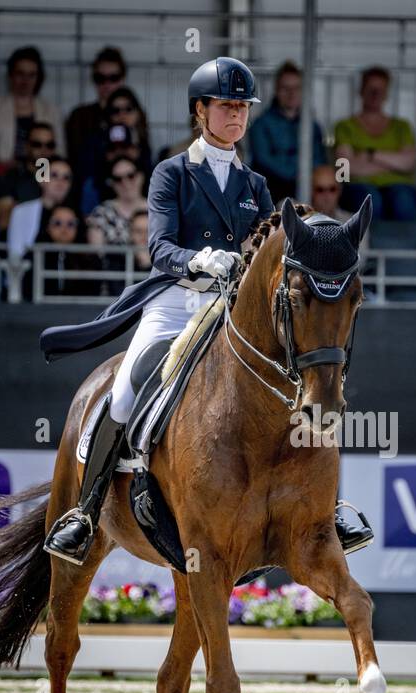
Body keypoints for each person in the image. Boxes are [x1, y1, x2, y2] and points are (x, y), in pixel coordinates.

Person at [37, 55, 371, 564]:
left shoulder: (256, 186)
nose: (236, 116)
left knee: (305, 386)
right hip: (176, 301)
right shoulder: (171, 174)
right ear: (201, 111)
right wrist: (200, 258)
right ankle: (85, 511)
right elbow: (160, 248)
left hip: (231, 309)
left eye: (242, 107)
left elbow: (271, 251)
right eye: (226, 106)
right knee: (126, 390)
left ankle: (329, 508)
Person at [333, 66, 416, 221]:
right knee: (371, 200)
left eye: (380, 90)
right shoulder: (345, 126)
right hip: (358, 188)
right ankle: (366, 245)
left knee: (403, 200)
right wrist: (393, 163)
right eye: (370, 89)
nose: (375, 94)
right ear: (361, 90)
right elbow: (344, 168)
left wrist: (369, 155)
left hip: (399, 189)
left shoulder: (402, 126)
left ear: (386, 93)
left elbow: (409, 164)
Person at [0, 46, 64, 178]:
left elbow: (59, 152)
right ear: (11, 75)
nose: (25, 80)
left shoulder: (51, 110)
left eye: (31, 75)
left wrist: (42, 176)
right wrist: (2, 167)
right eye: (20, 73)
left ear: (39, 78)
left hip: (41, 177)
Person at [246, 61, 326, 203]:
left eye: (296, 88)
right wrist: (297, 171)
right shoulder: (261, 124)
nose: (291, 93)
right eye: (285, 88)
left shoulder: (313, 126)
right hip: (273, 187)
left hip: (306, 185)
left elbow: (319, 159)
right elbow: (263, 160)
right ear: (276, 90)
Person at [65, 48, 133, 175]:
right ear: (93, 80)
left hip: (125, 181)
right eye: (100, 78)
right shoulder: (80, 116)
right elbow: (75, 158)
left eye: (113, 78)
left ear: (122, 78)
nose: (107, 84)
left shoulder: (133, 112)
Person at [75, 86, 152, 197]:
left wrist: (136, 159)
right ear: (108, 115)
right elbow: (87, 175)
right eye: (115, 111)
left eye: (128, 109)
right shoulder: (97, 140)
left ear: (138, 113)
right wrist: (106, 159)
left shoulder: (141, 140)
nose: (122, 115)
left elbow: (150, 178)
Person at [0, 121, 57, 230]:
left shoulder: (62, 176)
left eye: (50, 145)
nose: (44, 150)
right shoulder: (9, 177)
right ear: (27, 146)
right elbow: (4, 222)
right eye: (37, 144)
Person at [23, 205, 100, 299]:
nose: (64, 229)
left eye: (70, 224)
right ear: (47, 226)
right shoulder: (34, 255)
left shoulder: (89, 257)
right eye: (57, 223)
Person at [8, 155, 74, 261]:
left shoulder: (75, 213)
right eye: (54, 175)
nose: (60, 182)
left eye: (66, 178)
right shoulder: (21, 212)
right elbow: (15, 256)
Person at [85, 156, 147, 245]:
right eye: (118, 179)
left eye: (131, 176)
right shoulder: (101, 213)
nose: (125, 183)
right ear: (111, 183)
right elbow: (96, 254)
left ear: (141, 176)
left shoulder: (160, 211)